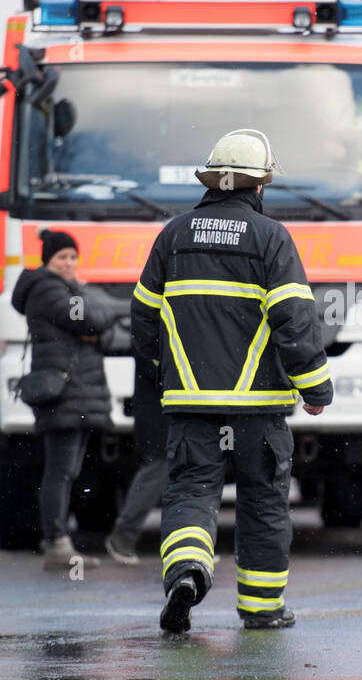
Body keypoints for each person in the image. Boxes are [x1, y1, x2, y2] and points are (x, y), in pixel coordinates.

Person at [131, 128, 332, 633]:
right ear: (259, 185)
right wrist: (316, 388)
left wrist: (164, 374)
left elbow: (142, 317)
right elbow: (294, 320)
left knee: (192, 491)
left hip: (191, 406)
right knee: (263, 500)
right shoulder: (271, 238)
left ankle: (187, 571)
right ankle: (262, 608)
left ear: (212, 182)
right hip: (258, 410)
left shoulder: (173, 235)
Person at [12, 229, 127, 571]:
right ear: (47, 259)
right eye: (62, 257)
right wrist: (97, 318)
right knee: (60, 471)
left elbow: (95, 327)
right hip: (64, 394)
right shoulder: (48, 289)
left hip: (74, 393)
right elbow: (90, 318)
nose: (68, 263)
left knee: (66, 470)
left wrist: (95, 322)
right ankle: (56, 542)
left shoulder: (62, 290)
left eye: (73, 258)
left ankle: (58, 541)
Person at [103, 353, 167, 565]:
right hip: (161, 409)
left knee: (172, 473)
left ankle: (190, 546)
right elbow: (151, 358)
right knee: (159, 470)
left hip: (163, 406)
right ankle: (123, 535)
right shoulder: (151, 324)